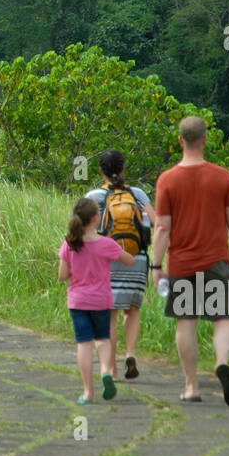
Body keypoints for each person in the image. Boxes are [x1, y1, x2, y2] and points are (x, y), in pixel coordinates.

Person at [152, 116, 229, 406]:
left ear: (180, 141)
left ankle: (191, 386)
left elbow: (162, 227)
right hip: (216, 262)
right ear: (205, 140)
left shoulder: (167, 180)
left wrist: (157, 266)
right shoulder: (222, 177)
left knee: (186, 323)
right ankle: (221, 362)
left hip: (182, 264)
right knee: (222, 319)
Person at [85, 149, 155, 381]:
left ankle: (112, 369)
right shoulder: (137, 194)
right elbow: (155, 222)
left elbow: (79, 230)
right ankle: (131, 353)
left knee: (110, 314)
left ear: (100, 170)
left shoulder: (93, 196)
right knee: (132, 310)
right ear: (123, 169)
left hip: (105, 261)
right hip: (136, 258)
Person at [58, 196, 136, 404]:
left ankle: (87, 392)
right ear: (95, 218)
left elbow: (62, 275)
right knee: (102, 339)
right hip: (101, 300)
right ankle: (105, 371)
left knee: (83, 343)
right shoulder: (106, 244)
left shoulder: (69, 244)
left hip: (78, 301)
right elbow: (129, 261)